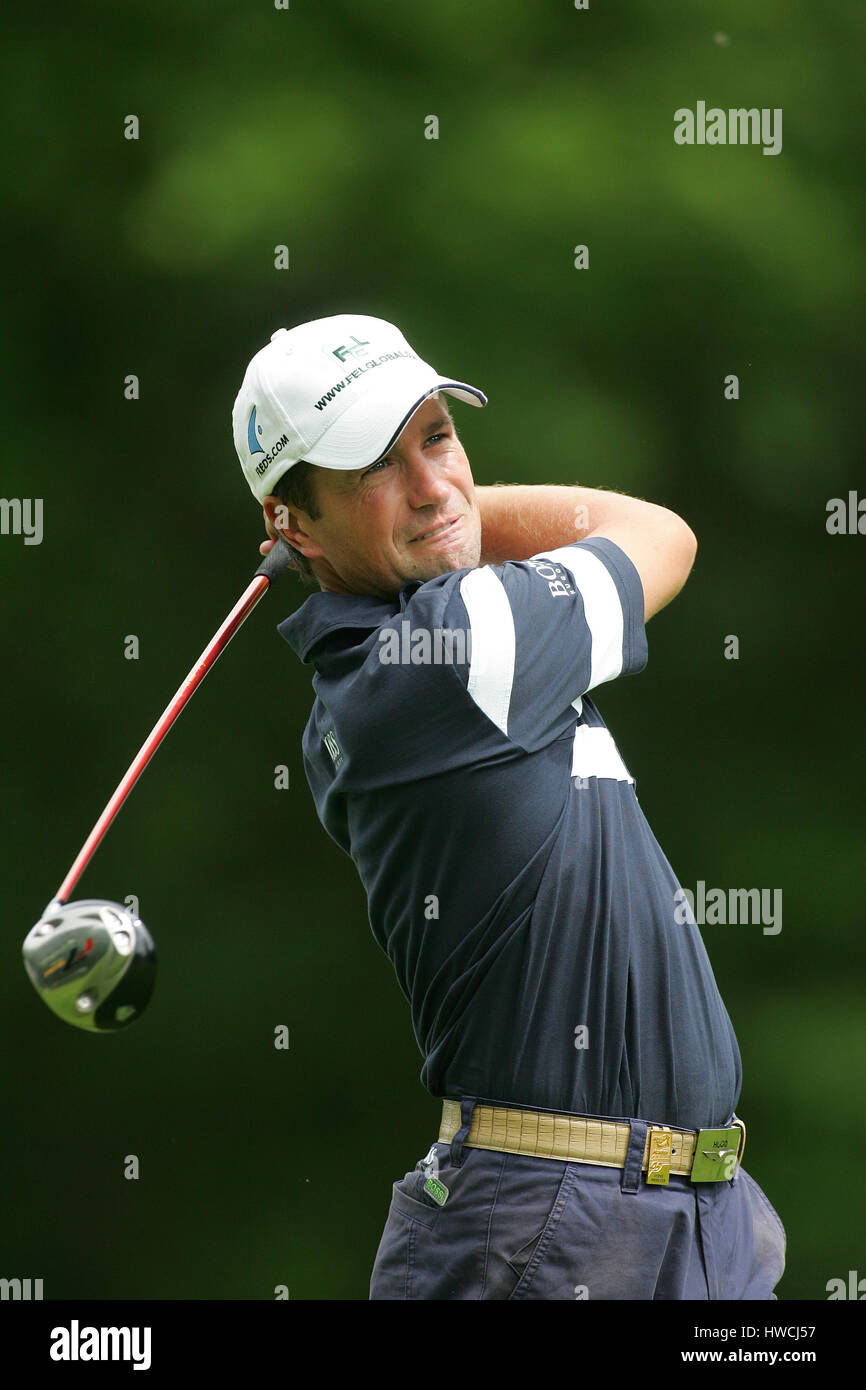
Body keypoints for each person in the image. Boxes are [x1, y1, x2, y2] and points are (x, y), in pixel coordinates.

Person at [232, 313, 787, 1300]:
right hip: (554, 1230)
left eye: (436, 436)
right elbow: (660, 533)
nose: (433, 482)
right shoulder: (444, 654)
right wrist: (456, 511)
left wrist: (429, 511)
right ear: (293, 523)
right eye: (372, 465)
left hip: (693, 1219)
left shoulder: (404, 666)